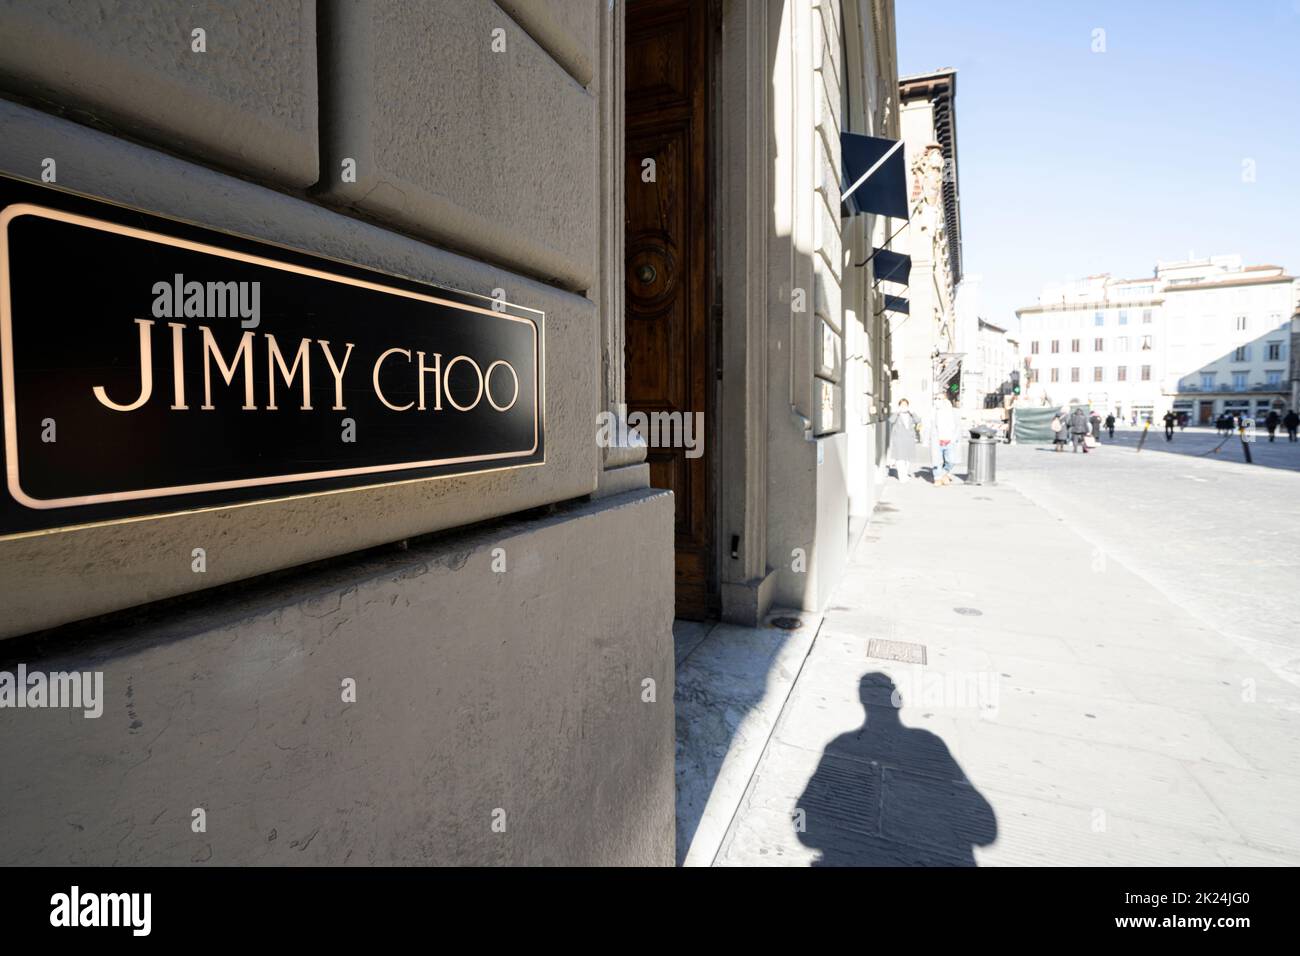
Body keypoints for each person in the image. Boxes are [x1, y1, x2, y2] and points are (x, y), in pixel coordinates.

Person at [888, 399, 920, 482]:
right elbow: (891, 420)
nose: (904, 406)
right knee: (900, 459)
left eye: (905, 405)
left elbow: (918, 421)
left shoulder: (910, 414)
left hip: (909, 439)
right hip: (899, 439)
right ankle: (902, 477)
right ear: (899, 406)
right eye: (902, 405)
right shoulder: (896, 414)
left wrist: (913, 413)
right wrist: (897, 412)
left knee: (907, 459)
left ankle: (905, 474)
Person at [932, 395, 960, 485]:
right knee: (937, 461)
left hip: (949, 441)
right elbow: (929, 426)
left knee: (951, 461)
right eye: (936, 398)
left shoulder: (952, 412)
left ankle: (944, 474)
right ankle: (937, 478)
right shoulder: (934, 412)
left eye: (940, 399)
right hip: (937, 441)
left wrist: (953, 439)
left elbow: (957, 427)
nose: (937, 400)